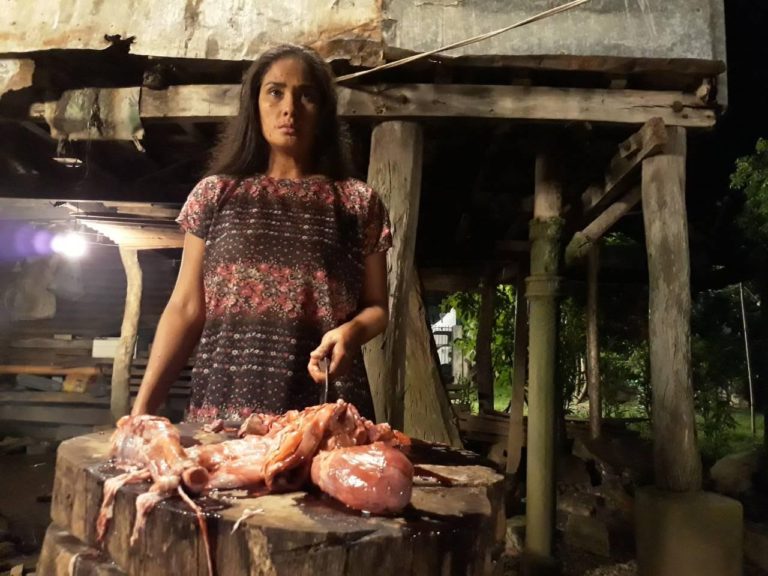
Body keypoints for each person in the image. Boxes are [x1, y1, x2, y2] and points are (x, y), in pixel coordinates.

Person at [131, 44, 391, 422]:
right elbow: (186, 308)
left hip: (321, 411)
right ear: (254, 104)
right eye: (275, 92)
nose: (290, 108)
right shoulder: (215, 194)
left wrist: (352, 332)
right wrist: (141, 410)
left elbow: (378, 308)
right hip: (223, 411)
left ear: (323, 111)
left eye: (306, 95)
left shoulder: (357, 202)